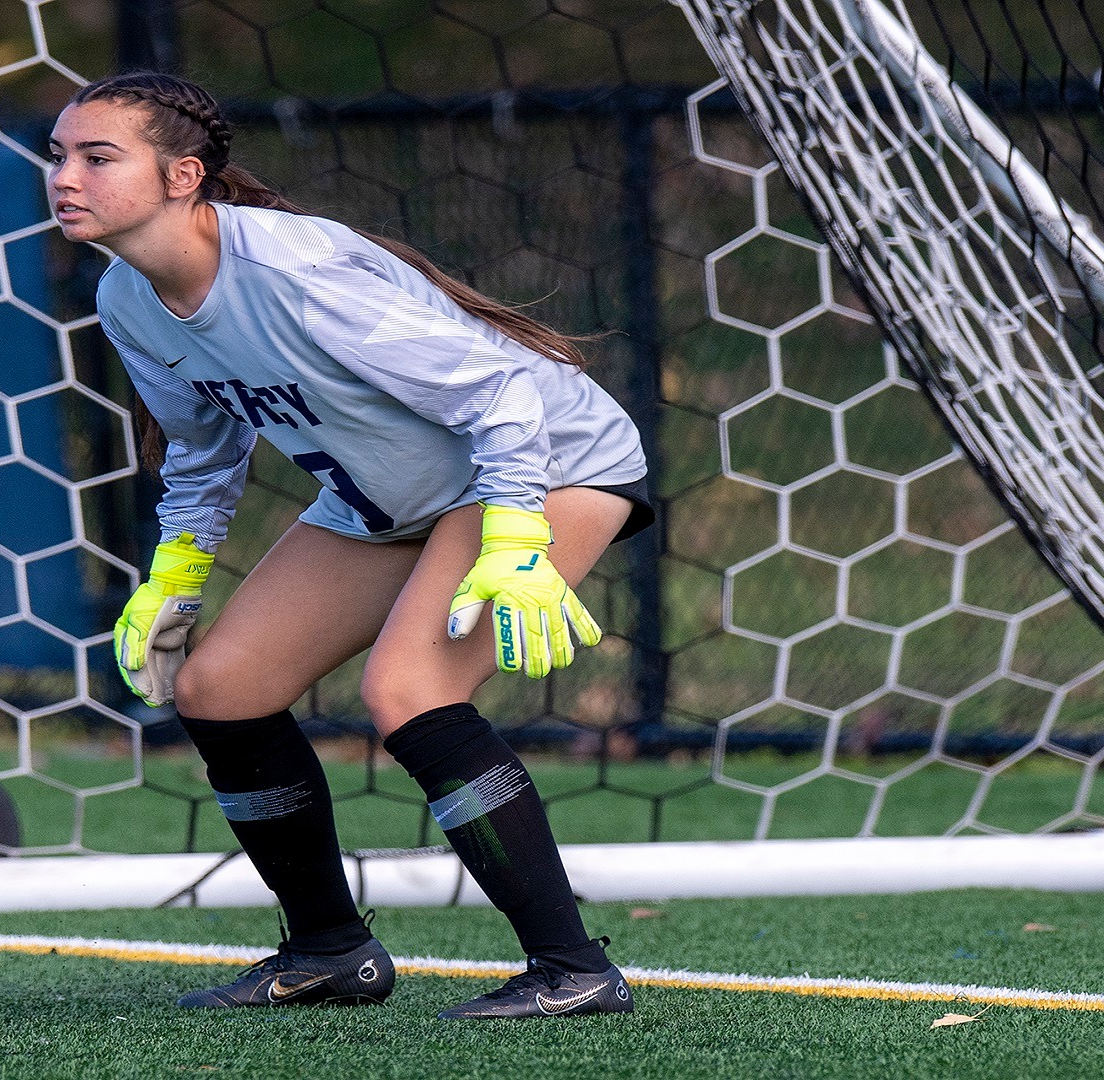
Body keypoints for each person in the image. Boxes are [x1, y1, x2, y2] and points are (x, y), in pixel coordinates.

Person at [48, 72, 652, 1020]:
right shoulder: (125, 297)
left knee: (409, 692)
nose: (65, 176)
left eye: (97, 156)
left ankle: (575, 970)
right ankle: (331, 952)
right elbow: (205, 453)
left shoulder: (295, 270)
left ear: (183, 175)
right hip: (386, 500)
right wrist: (177, 573)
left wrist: (515, 540)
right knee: (221, 692)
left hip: (543, 465)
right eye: (59, 155)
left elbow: (502, 397)